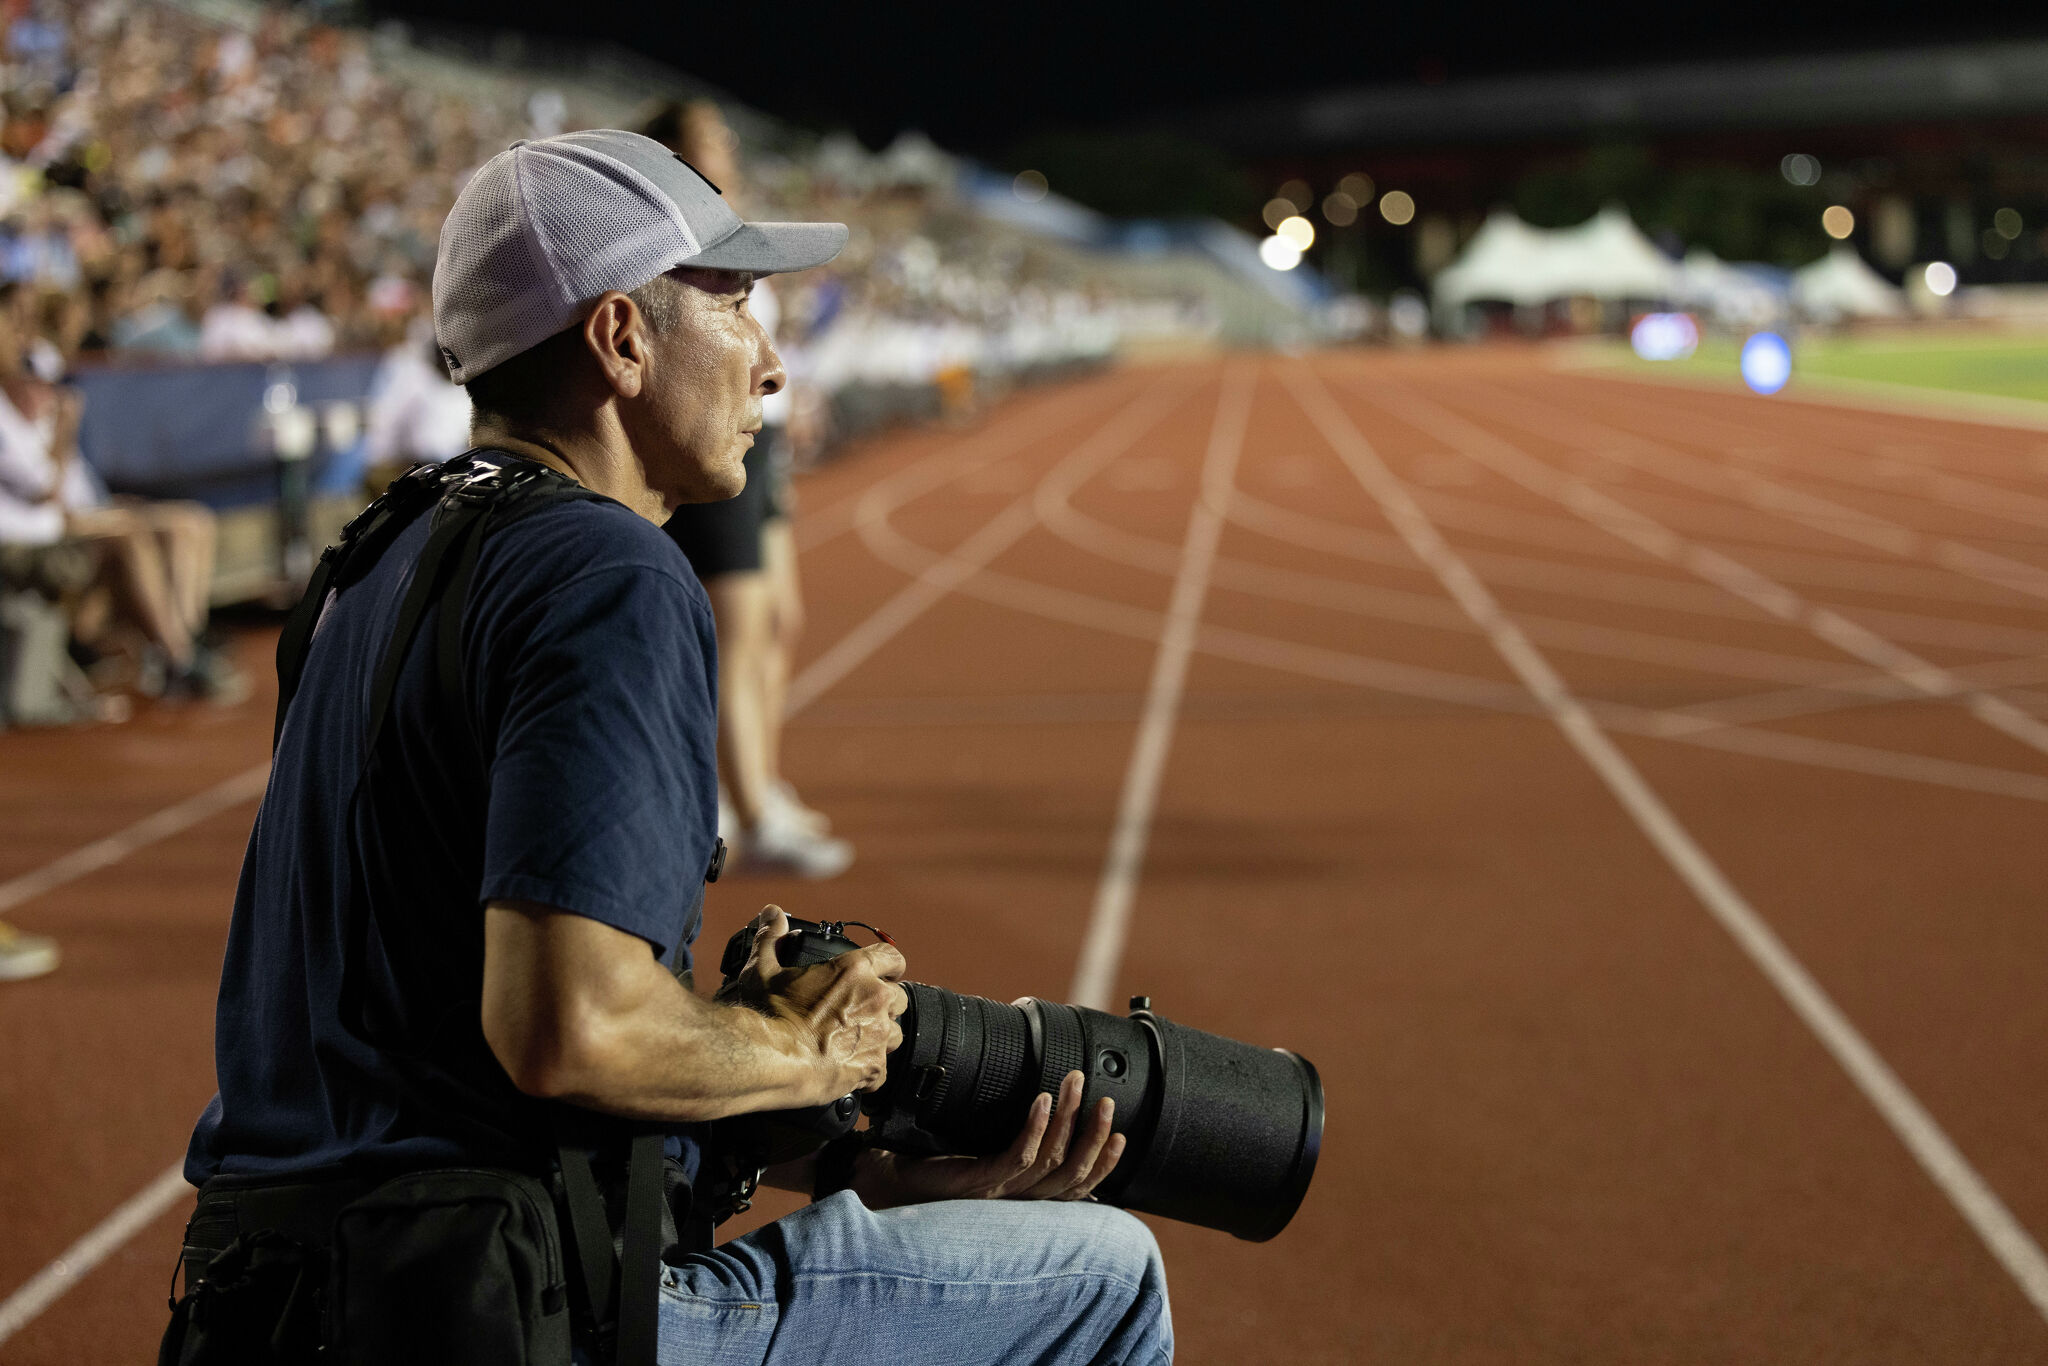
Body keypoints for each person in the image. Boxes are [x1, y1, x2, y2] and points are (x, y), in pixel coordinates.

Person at [174, 129, 1169, 1366]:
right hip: (495, 1310)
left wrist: (820, 1137)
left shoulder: (369, 559)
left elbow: (439, 1034)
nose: (769, 367)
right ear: (621, 340)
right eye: (738, 305)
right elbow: (565, 1032)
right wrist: (804, 1043)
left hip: (268, 1300)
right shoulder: (608, 571)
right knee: (1105, 1273)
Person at [647, 100, 849, 878]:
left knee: (777, 623)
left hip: (758, 442)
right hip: (720, 437)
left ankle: (755, 780)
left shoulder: (717, 220)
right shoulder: (673, 232)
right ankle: (746, 805)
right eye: (714, 135)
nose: (729, 143)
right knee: (735, 631)